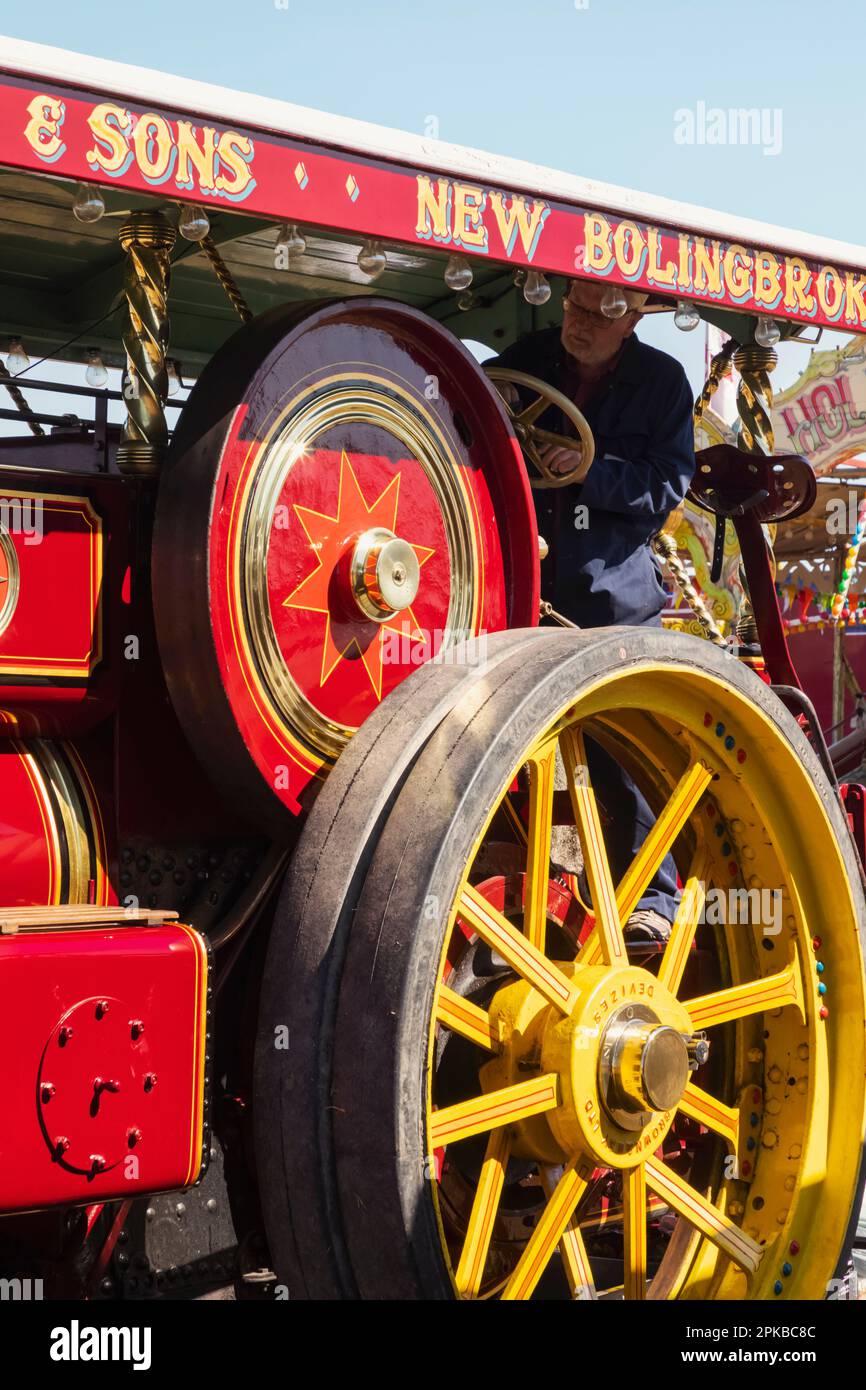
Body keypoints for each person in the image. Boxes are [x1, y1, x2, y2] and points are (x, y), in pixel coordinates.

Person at [490, 279, 696, 941]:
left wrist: (588, 470)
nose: (578, 324)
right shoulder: (527, 359)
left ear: (632, 318)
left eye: (597, 314)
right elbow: (480, 398)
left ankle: (653, 904)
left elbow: (666, 485)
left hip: (610, 597)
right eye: (573, 308)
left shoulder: (662, 382)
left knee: (629, 751)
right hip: (521, 586)